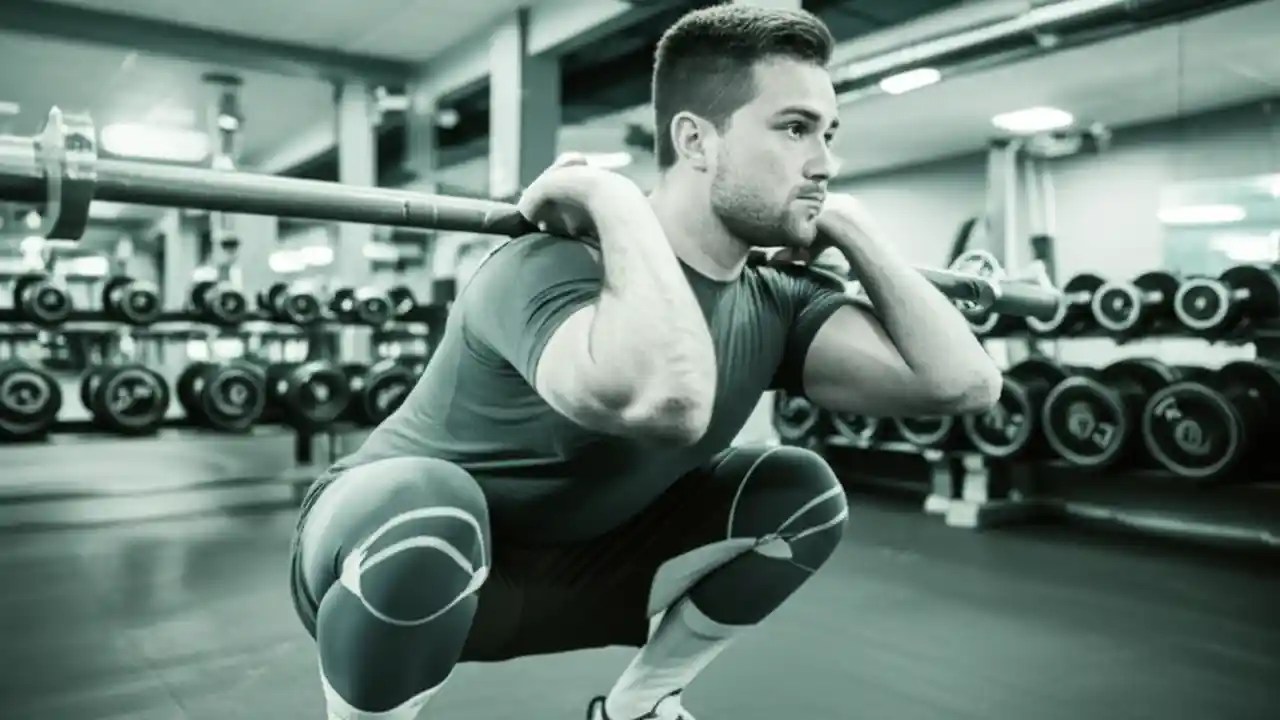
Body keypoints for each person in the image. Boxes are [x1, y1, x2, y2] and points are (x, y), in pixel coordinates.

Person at [288, 5, 1002, 720]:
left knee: (801, 490)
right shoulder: (550, 264)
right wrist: (612, 197)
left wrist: (854, 228)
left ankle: (642, 705)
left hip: (588, 572)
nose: (824, 163)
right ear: (695, 140)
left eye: (828, 134)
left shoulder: (777, 301)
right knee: (430, 507)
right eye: (794, 129)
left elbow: (965, 384)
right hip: (393, 568)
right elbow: (668, 400)